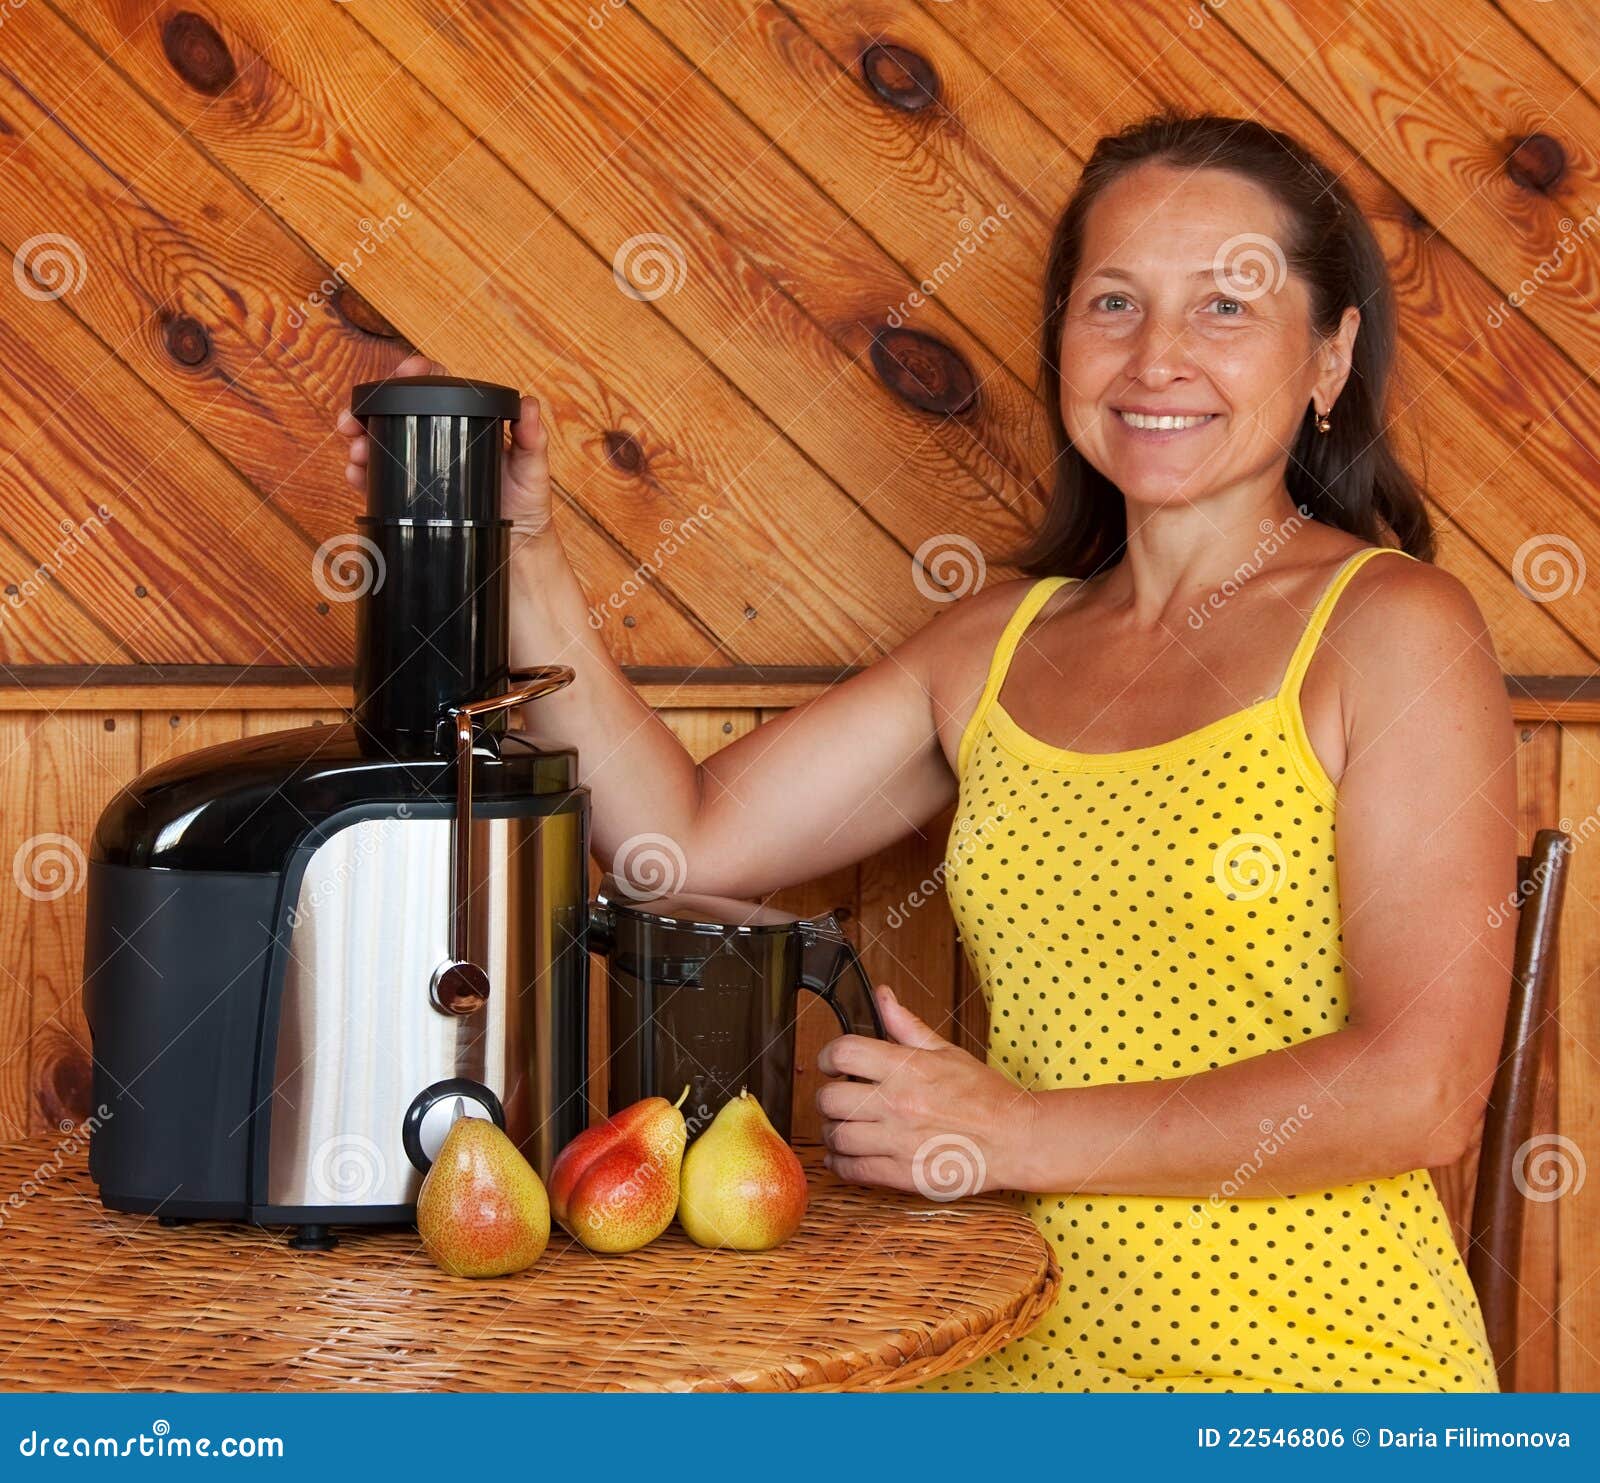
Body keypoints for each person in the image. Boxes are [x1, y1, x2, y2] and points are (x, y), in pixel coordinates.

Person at [337, 113, 1516, 1392]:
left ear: (1328, 358)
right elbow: (682, 843)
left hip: (1314, 1372)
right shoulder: (996, 646)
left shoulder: (1394, 630)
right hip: (989, 1350)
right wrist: (528, 553)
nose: (1156, 356)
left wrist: (1010, 1131)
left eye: (1227, 305)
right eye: (1112, 301)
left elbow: (1422, 1087)